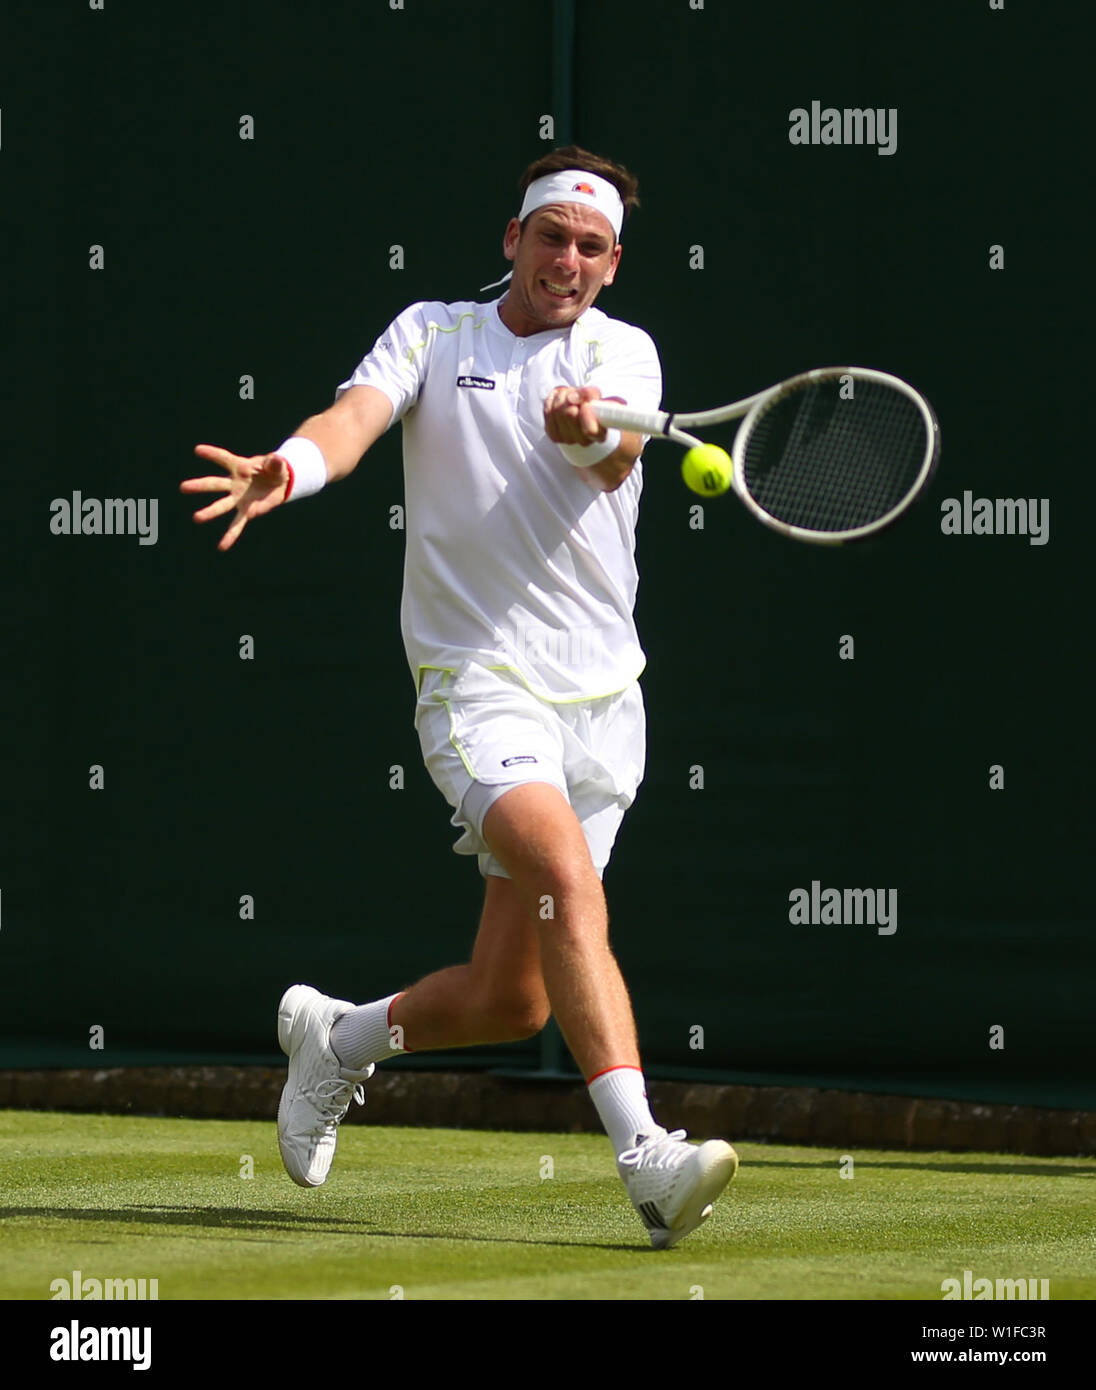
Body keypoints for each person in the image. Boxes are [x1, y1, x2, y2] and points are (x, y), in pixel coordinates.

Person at [181, 146, 737, 1249]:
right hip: (475, 683)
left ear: (611, 262)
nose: (565, 260)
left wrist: (588, 428)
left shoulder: (625, 354)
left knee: (511, 999)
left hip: (601, 701)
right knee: (565, 872)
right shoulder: (434, 332)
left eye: (589, 245)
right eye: (549, 237)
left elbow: (610, 456)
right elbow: (355, 417)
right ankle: (646, 1154)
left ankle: (336, 1040)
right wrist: (285, 467)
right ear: (512, 241)